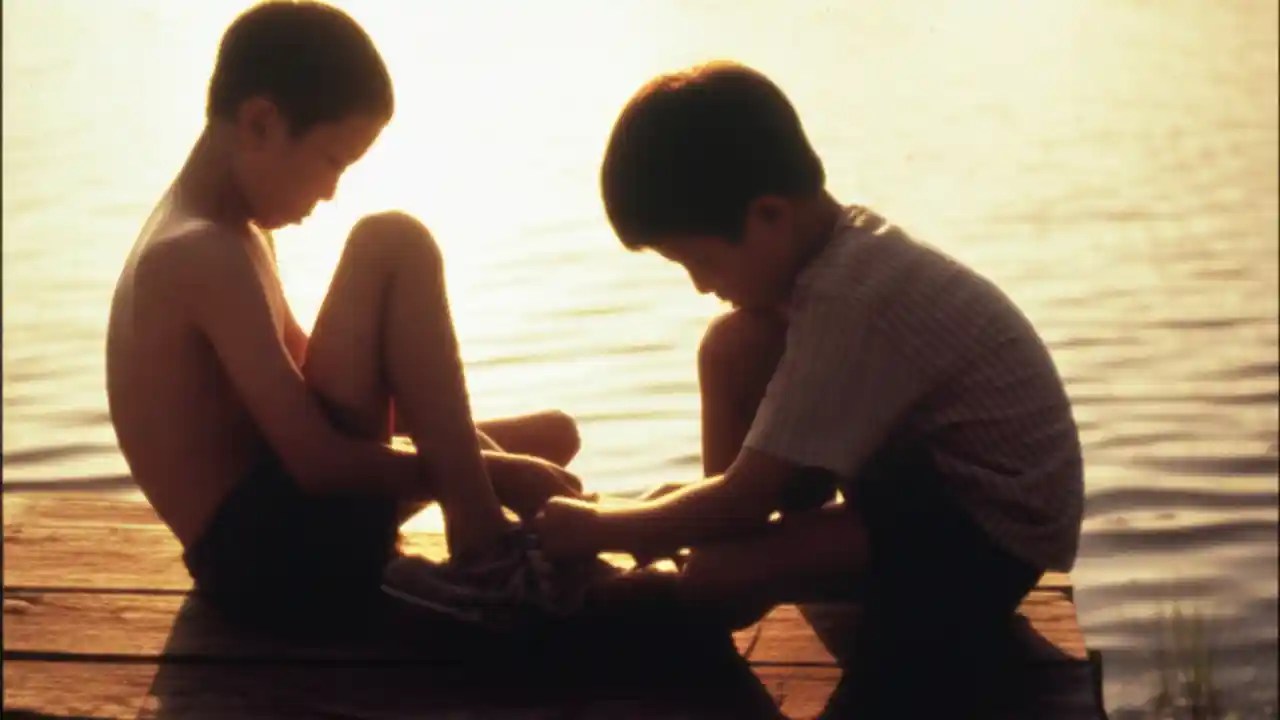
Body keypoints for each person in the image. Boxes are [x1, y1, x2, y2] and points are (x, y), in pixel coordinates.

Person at [534, 61, 1085, 717]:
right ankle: (724, 556)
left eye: (701, 261)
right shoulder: (835, 251)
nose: (700, 285)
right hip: (918, 490)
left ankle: (711, 581)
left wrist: (601, 527)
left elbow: (743, 500)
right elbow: (743, 489)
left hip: (987, 538)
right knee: (732, 344)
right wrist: (674, 515)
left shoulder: (851, 298)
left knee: (716, 575)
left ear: (769, 214)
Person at [106, 1, 585, 633]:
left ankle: (479, 510)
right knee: (393, 241)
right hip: (266, 562)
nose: (332, 191)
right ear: (260, 123)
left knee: (551, 436)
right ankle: (484, 551)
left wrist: (479, 453)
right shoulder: (198, 253)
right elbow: (319, 462)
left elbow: (320, 392)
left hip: (288, 524)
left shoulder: (234, 232)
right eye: (332, 161)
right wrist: (489, 475)